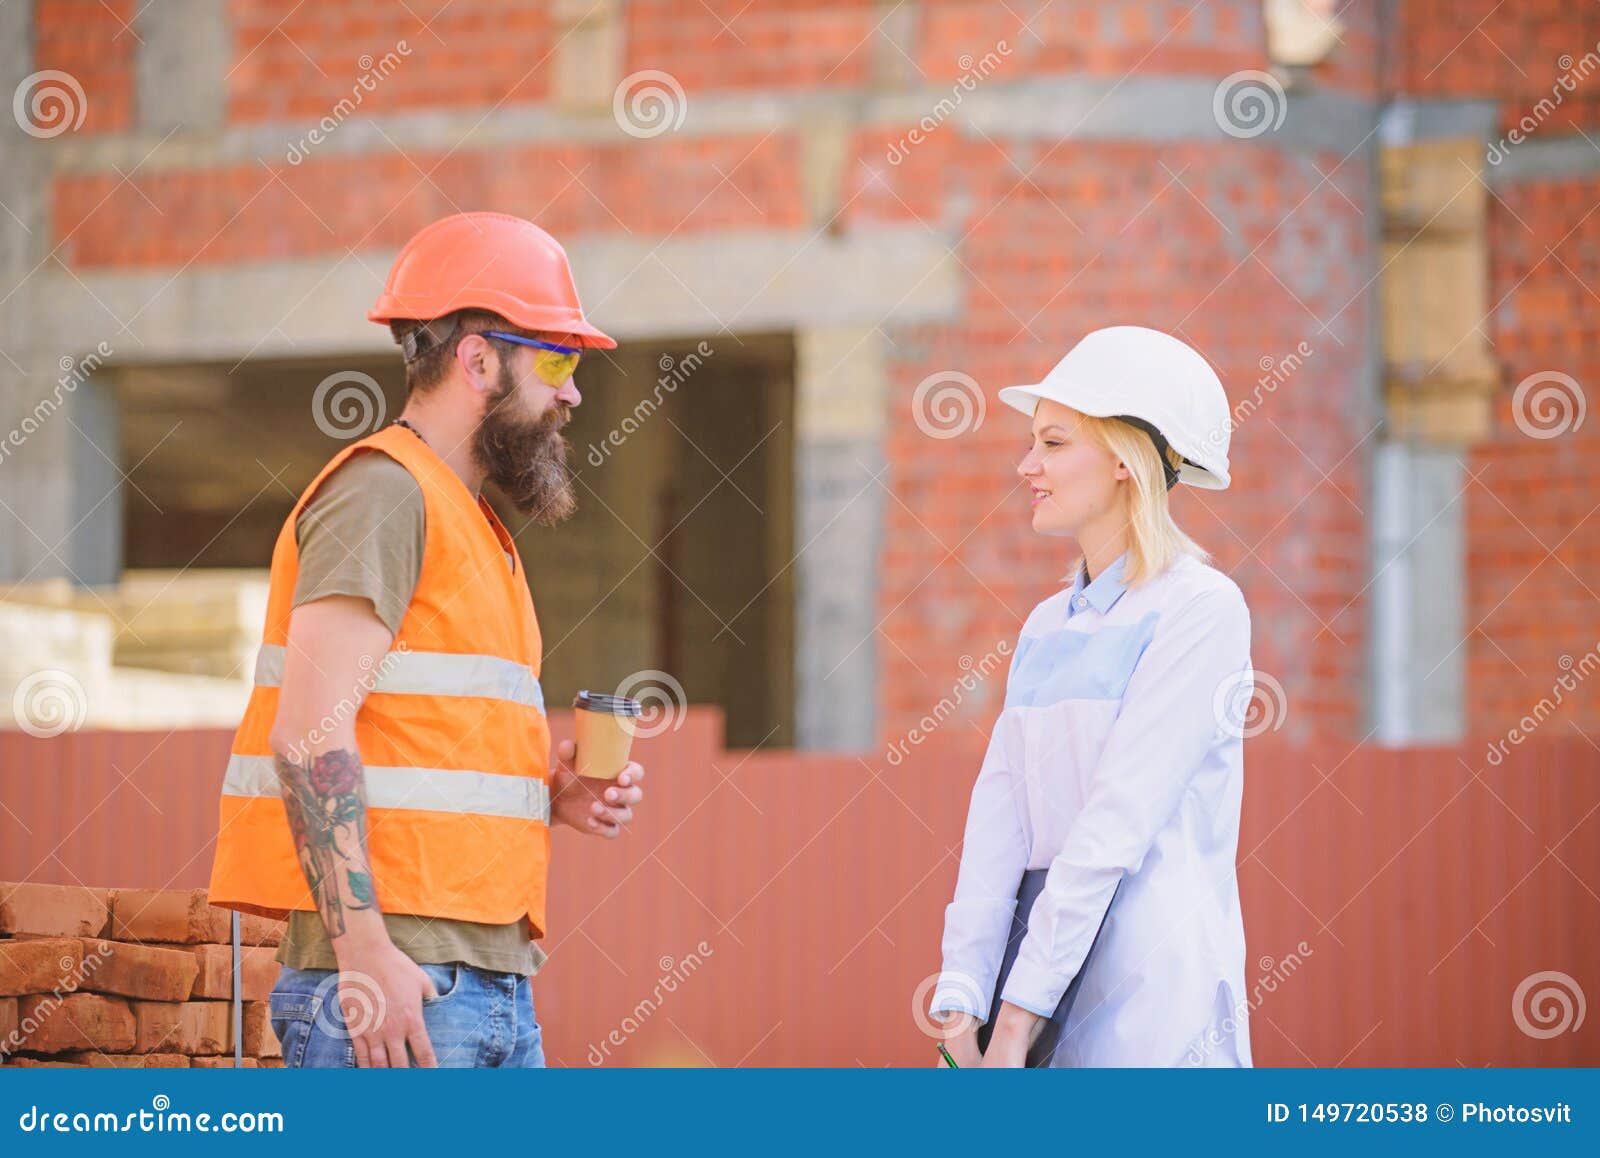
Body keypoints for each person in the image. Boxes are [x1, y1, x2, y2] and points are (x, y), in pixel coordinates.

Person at [208, 212, 645, 1068]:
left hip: (486, 978)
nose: (573, 392)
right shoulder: (385, 494)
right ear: (478, 359)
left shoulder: (469, 522)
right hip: (395, 980)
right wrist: (364, 954)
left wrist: (546, 794)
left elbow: (419, 742)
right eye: (557, 360)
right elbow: (307, 733)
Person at [929, 325, 1254, 1067]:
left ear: (1122, 459)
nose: (1026, 465)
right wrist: (960, 1010)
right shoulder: (1047, 626)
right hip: (1030, 998)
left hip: (1147, 1013)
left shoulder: (1200, 610)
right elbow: (998, 822)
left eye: (1051, 443)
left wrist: (1014, 1022)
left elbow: (1114, 827)